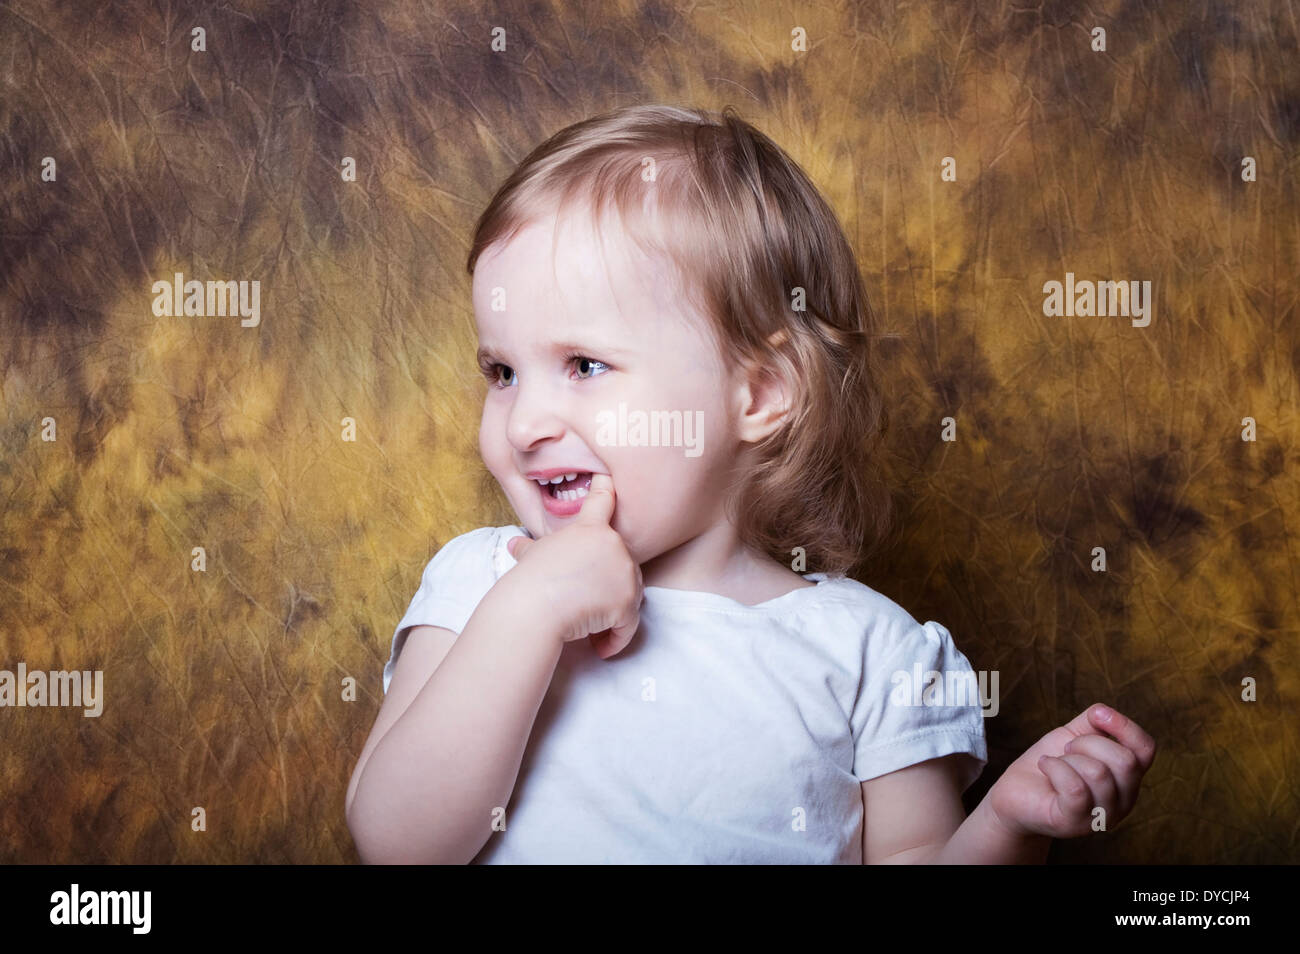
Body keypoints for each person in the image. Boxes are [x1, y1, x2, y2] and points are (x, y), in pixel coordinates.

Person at [345, 104, 1156, 864]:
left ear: (759, 394)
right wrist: (530, 609)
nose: (524, 423)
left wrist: (1007, 827)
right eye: (502, 371)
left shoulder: (870, 653)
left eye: (584, 365)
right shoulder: (484, 586)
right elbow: (397, 841)